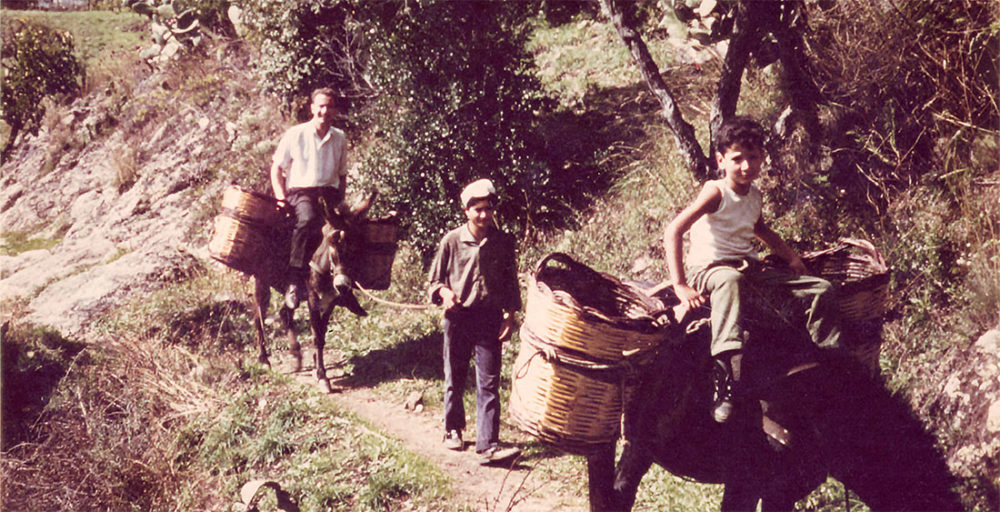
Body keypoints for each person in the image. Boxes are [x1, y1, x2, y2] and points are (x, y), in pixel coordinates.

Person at [664, 116, 843, 424]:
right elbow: (673, 231)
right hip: (709, 269)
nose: (746, 166)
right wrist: (680, 284)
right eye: (737, 159)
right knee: (730, 280)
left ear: (763, 158)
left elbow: (761, 230)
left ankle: (831, 360)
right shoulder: (715, 192)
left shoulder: (755, 195)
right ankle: (726, 376)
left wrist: (791, 258)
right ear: (721, 160)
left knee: (820, 289)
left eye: (753, 157)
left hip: (746, 268)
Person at [427, 178, 523, 466]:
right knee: (455, 377)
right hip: (459, 319)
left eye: (488, 208)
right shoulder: (452, 241)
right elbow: (434, 281)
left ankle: (488, 445)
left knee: (489, 382)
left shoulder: (503, 243)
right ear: (466, 211)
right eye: (477, 209)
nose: (483, 215)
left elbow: (510, 283)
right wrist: (444, 293)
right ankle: (452, 429)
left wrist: (510, 316)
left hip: (489, 319)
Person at [270, 87, 351, 309]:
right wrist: (280, 197)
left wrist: (340, 203)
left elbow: (342, 175)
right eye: (321, 106)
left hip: (329, 194)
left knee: (344, 232)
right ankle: (294, 282)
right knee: (305, 222)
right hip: (302, 192)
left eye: (329, 106)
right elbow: (276, 169)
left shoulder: (340, 138)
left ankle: (343, 283)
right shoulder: (296, 134)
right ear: (312, 108)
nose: (325, 111)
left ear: (334, 110)